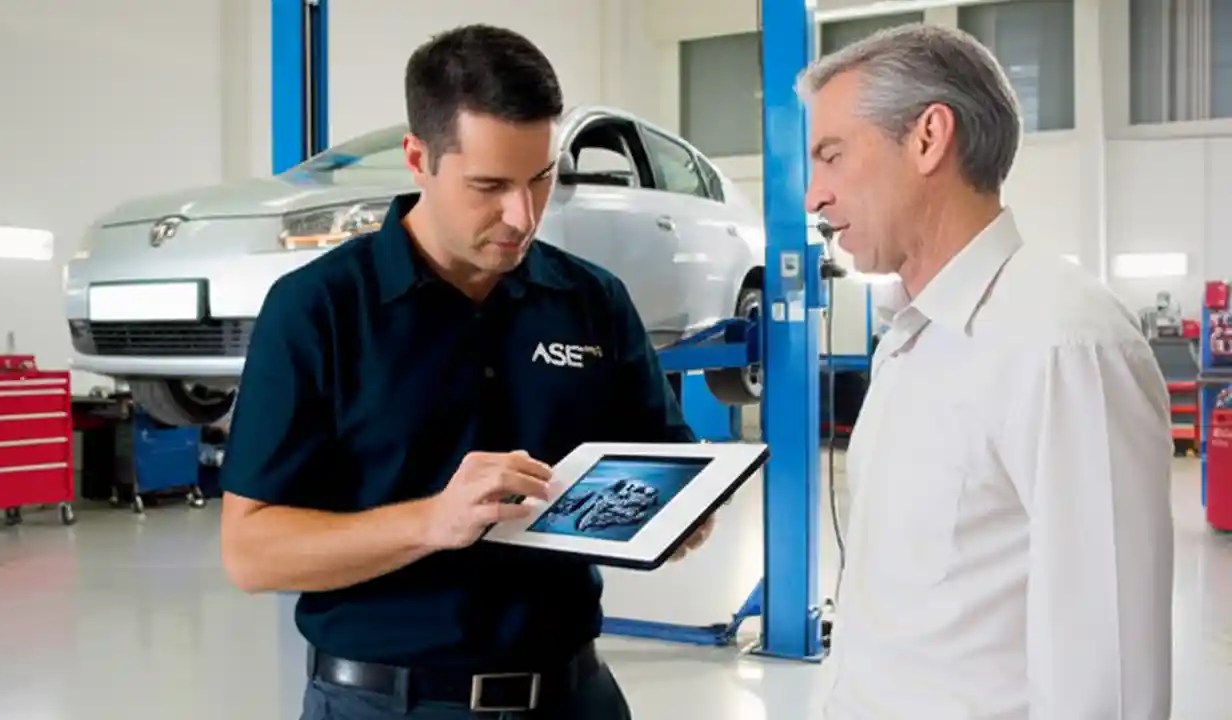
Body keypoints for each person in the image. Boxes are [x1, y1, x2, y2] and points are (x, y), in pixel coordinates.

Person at [218, 24, 708, 720]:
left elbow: (662, 456)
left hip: (573, 696)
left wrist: (681, 510)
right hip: (388, 703)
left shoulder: (591, 300)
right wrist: (433, 522)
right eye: (490, 185)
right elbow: (251, 552)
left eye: (542, 178)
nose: (523, 215)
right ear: (418, 159)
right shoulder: (318, 310)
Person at [797, 24, 1174, 720]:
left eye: (831, 155)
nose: (812, 196)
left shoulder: (1063, 344)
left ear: (929, 138)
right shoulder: (910, 338)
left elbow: (1108, 674)